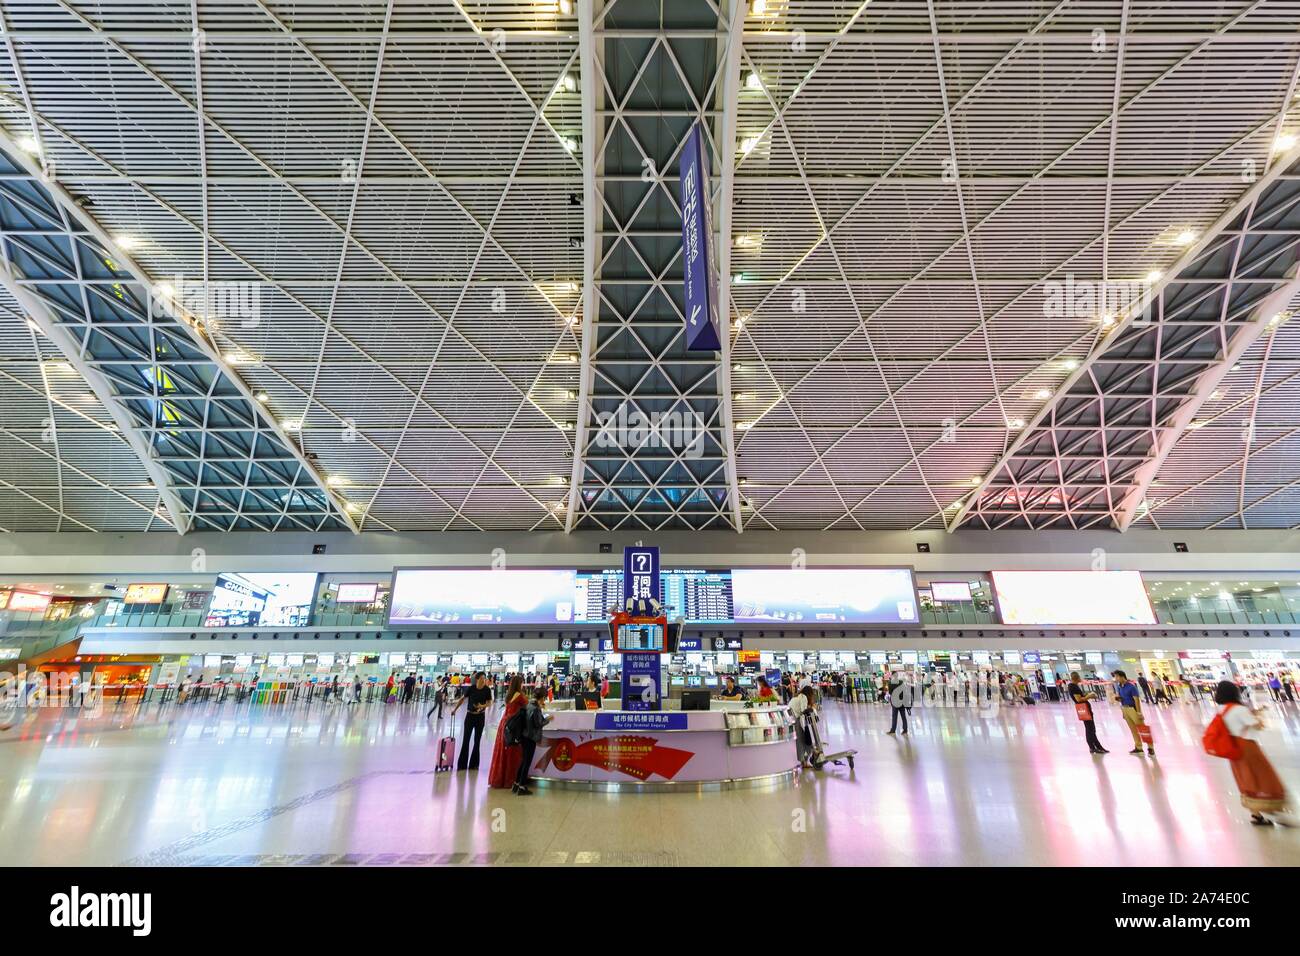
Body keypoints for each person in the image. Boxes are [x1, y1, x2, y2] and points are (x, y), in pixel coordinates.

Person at [1212, 680, 1292, 826]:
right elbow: (1256, 725)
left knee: (1246, 778)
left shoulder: (1221, 709)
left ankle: (1256, 814)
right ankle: (1273, 809)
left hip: (1232, 748)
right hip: (1247, 747)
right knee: (1263, 776)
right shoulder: (1238, 709)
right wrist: (1259, 718)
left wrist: (1252, 714)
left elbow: (1234, 722)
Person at [488, 675, 527, 789]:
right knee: (513, 753)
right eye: (521, 683)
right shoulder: (519, 695)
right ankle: (511, 779)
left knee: (502, 752)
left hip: (504, 724)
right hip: (514, 725)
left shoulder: (508, 695)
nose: (522, 685)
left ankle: (500, 778)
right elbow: (527, 706)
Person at [449, 672, 492, 771]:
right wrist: (455, 710)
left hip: (480, 717)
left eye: (484, 678)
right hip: (469, 717)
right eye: (482, 678)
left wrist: (482, 706)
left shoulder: (487, 690)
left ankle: (474, 764)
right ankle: (462, 764)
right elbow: (462, 699)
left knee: (477, 741)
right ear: (477, 679)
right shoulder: (471, 688)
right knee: (466, 740)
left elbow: (489, 702)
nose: (483, 680)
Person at [514, 686, 553, 796]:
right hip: (530, 738)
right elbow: (538, 723)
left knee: (523, 761)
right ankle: (522, 787)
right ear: (541, 698)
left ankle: (516, 784)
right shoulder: (536, 708)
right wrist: (548, 719)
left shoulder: (529, 704)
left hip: (524, 736)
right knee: (527, 762)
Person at [1067, 671, 1108, 754]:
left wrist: (1086, 694)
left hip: (1084, 708)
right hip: (1083, 708)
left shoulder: (1074, 686)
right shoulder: (1073, 687)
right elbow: (1078, 699)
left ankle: (1098, 746)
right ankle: (1092, 747)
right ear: (1076, 678)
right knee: (1090, 728)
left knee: (1091, 728)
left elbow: (1080, 696)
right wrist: (1090, 696)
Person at [1114, 670, 1153, 756]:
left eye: (1117, 677)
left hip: (1133, 709)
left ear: (1122, 676)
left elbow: (1136, 700)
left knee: (1142, 729)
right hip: (1125, 708)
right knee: (1133, 730)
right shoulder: (1119, 686)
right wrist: (1119, 699)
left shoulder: (1131, 686)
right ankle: (1138, 747)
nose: (1115, 679)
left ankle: (1151, 748)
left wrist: (1139, 712)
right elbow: (1121, 698)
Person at [788, 684, 815, 767]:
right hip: (796, 720)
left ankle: (803, 760)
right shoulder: (804, 697)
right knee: (801, 740)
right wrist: (811, 709)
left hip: (791, 719)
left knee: (799, 740)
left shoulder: (797, 696)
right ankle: (804, 762)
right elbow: (803, 710)